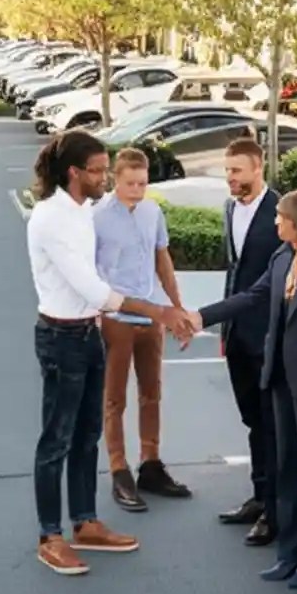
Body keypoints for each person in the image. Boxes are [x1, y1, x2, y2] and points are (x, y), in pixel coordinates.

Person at [26, 130, 193, 576]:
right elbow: (95, 290)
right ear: (74, 173)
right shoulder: (50, 219)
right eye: (99, 171)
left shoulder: (85, 211)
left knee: (86, 438)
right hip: (61, 338)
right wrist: (158, 310)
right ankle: (50, 536)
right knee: (55, 441)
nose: (106, 178)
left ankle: (84, 524)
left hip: (87, 335)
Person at [188, 188, 297, 590]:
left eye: (280, 217)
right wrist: (200, 316)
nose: (275, 222)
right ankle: (289, 555)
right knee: (286, 473)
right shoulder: (280, 259)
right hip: (277, 380)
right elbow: (250, 297)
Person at [94, 147, 192, 512]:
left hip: (151, 316)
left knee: (152, 393)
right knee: (113, 399)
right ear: (115, 180)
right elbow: (88, 272)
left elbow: (161, 259)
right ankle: (119, 471)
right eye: (130, 183)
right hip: (115, 318)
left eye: (143, 183)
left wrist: (176, 306)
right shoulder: (97, 216)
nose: (137, 189)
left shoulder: (152, 211)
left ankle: (150, 463)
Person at [215, 137, 283, 546]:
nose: (230, 178)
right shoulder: (228, 208)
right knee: (252, 422)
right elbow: (234, 271)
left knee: (271, 425)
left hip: (268, 338)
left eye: (237, 171)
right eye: (227, 171)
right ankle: (259, 497)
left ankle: (274, 511)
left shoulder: (282, 212)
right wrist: (224, 331)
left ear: (258, 169)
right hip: (237, 336)